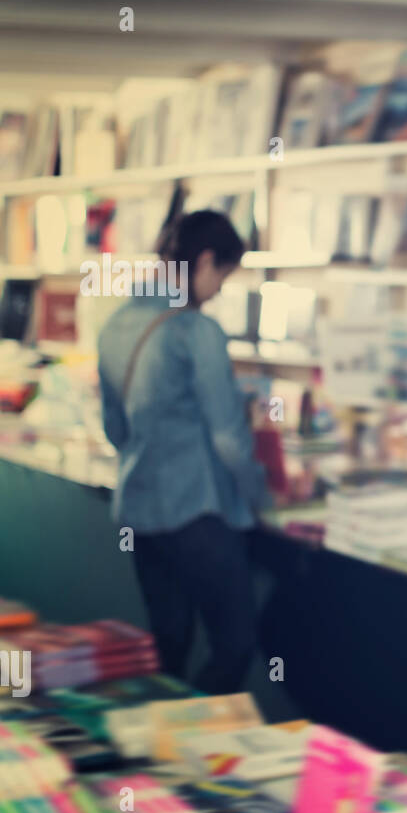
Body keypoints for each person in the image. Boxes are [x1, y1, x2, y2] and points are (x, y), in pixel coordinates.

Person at [97, 210, 269, 695]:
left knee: (167, 647)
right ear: (207, 260)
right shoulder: (196, 331)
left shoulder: (116, 324)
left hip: (141, 513)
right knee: (234, 644)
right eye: (224, 276)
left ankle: (161, 749)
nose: (218, 290)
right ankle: (200, 743)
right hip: (198, 513)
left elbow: (115, 428)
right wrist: (259, 495)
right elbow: (229, 437)